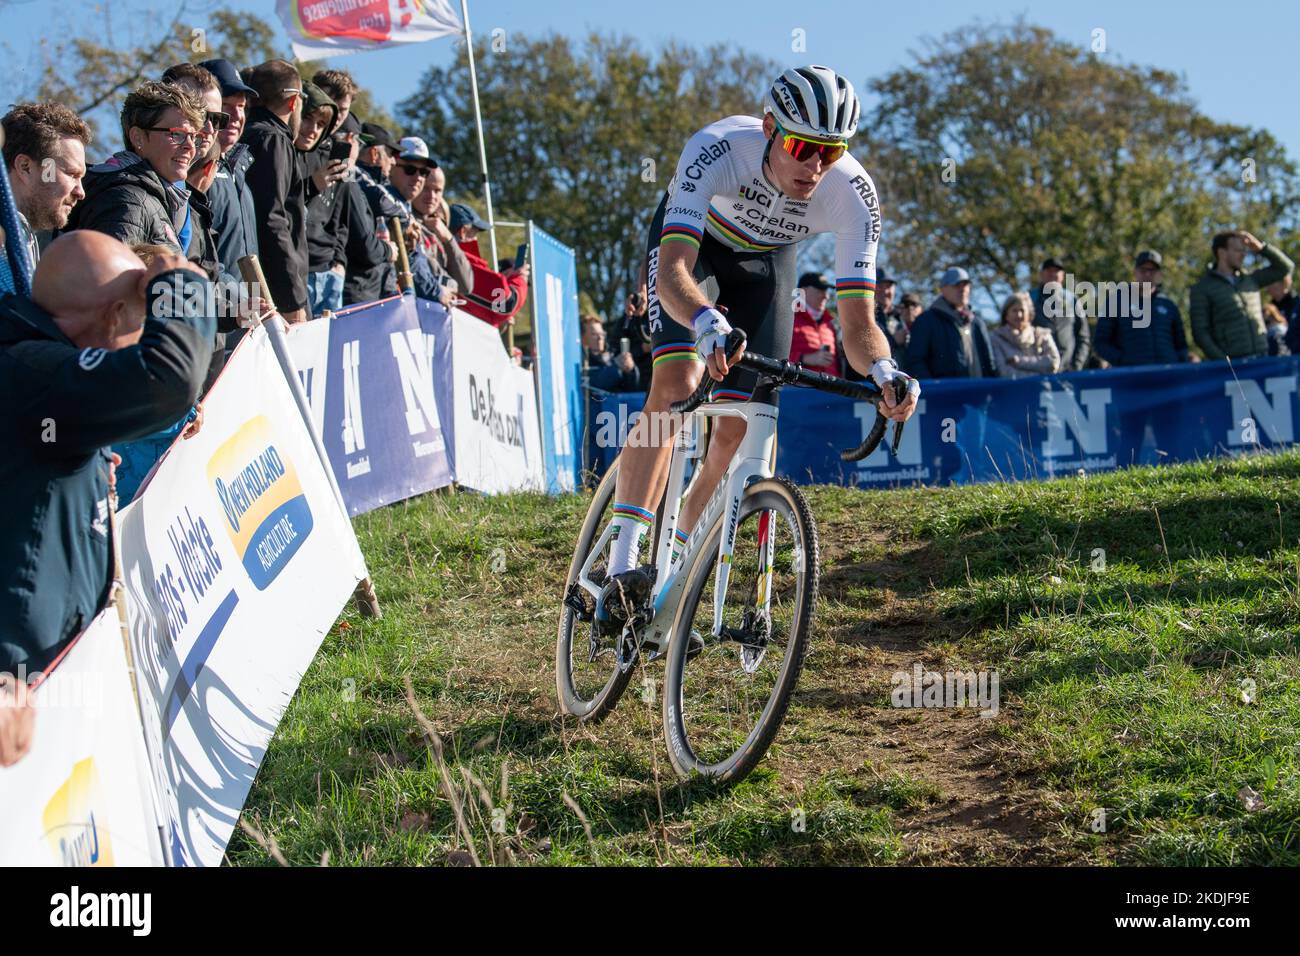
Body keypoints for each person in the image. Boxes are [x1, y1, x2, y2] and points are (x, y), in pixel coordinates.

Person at [599, 65, 918, 625]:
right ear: (770, 127)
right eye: (802, 146)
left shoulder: (855, 197)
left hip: (769, 265)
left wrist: (886, 369)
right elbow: (673, 268)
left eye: (832, 151)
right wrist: (703, 321)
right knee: (679, 385)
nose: (815, 166)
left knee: (741, 425)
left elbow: (858, 325)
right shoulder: (718, 148)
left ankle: (671, 564)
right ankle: (623, 563)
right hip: (696, 250)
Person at [0, 232, 215, 680]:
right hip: (21, 678)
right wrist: (180, 289)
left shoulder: (31, 363)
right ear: (116, 314)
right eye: (141, 317)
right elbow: (168, 381)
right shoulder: (37, 375)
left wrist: (82, 480)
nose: (142, 334)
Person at [64, 80, 203, 251]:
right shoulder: (128, 200)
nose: (190, 146)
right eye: (177, 134)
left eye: (194, 137)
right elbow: (111, 274)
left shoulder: (154, 197)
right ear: (137, 137)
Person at [241, 60, 309, 323]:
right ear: (293, 101)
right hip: (275, 295)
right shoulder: (274, 139)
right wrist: (292, 297)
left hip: (257, 288)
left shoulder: (249, 134)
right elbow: (273, 219)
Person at [1, 102, 91, 276]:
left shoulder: (23, 239)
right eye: (72, 174)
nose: (80, 192)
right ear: (25, 167)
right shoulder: (7, 240)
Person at [197, 58, 259, 279]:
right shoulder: (192, 167)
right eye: (227, 106)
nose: (236, 115)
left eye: (241, 106)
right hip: (212, 307)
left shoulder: (239, 169)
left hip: (245, 308)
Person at [1189, 231, 1294, 361]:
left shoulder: (1250, 279)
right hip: (1235, 363)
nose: (1244, 255)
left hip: (1263, 359)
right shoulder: (1203, 288)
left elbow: (1286, 268)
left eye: (1244, 251)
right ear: (1222, 252)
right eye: (1238, 250)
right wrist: (1224, 361)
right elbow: (1200, 333)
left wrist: (1261, 248)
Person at [294, 83, 346, 316]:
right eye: (307, 118)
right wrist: (313, 185)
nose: (312, 129)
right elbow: (278, 208)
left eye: (321, 124)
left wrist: (340, 261)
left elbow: (340, 219)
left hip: (326, 271)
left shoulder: (330, 160)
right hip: (292, 273)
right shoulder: (280, 150)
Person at [1093, 250, 1189, 367]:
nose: (1148, 274)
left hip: (1168, 377)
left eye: (1152, 270)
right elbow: (1100, 342)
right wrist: (1123, 361)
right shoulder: (1117, 301)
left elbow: (1181, 345)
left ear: (1159, 274)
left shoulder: (1169, 306)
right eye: (1143, 270)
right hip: (1132, 378)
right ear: (1135, 272)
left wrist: (1176, 361)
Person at [904, 267, 995, 378]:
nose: (963, 289)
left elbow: (990, 364)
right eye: (957, 285)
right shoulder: (926, 321)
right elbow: (915, 361)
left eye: (965, 285)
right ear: (943, 289)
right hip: (943, 394)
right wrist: (933, 390)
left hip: (981, 393)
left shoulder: (977, 323)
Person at [449, 201, 529, 327]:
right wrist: (520, 279)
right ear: (463, 231)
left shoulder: (440, 253)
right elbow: (506, 305)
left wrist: (505, 279)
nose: (476, 239)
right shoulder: (464, 263)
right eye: (475, 233)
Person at [1030, 256, 1090, 370]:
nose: (1053, 274)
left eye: (1057, 271)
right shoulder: (1030, 299)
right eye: (1049, 270)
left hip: (1068, 369)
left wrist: (1077, 364)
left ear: (1062, 276)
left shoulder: (1072, 300)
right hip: (1039, 370)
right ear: (1041, 274)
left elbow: (1083, 336)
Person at [989, 291, 1059, 378]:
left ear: (1029, 314)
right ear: (1006, 315)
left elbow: (1053, 362)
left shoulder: (1042, 335)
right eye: (1014, 311)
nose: (1019, 315)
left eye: (1022, 310)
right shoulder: (996, 338)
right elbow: (1003, 372)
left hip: (1043, 389)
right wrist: (1038, 375)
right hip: (1012, 390)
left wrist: (1019, 362)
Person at [789, 271, 838, 370]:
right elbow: (773, 356)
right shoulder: (788, 318)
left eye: (826, 291)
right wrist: (803, 358)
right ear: (803, 291)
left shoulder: (830, 324)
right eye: (820, 290)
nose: (826, 296)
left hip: (833, 384)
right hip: (798, 384)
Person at [583, 316, 641, 392]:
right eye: (594, 334)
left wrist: (631, 370)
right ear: (582, 338)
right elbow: (593, 384)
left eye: (602, 334)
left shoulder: (612, 355)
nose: (600, 338)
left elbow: (631, 389)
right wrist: (616, 366)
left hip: (620, 403)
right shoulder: (582, 360)